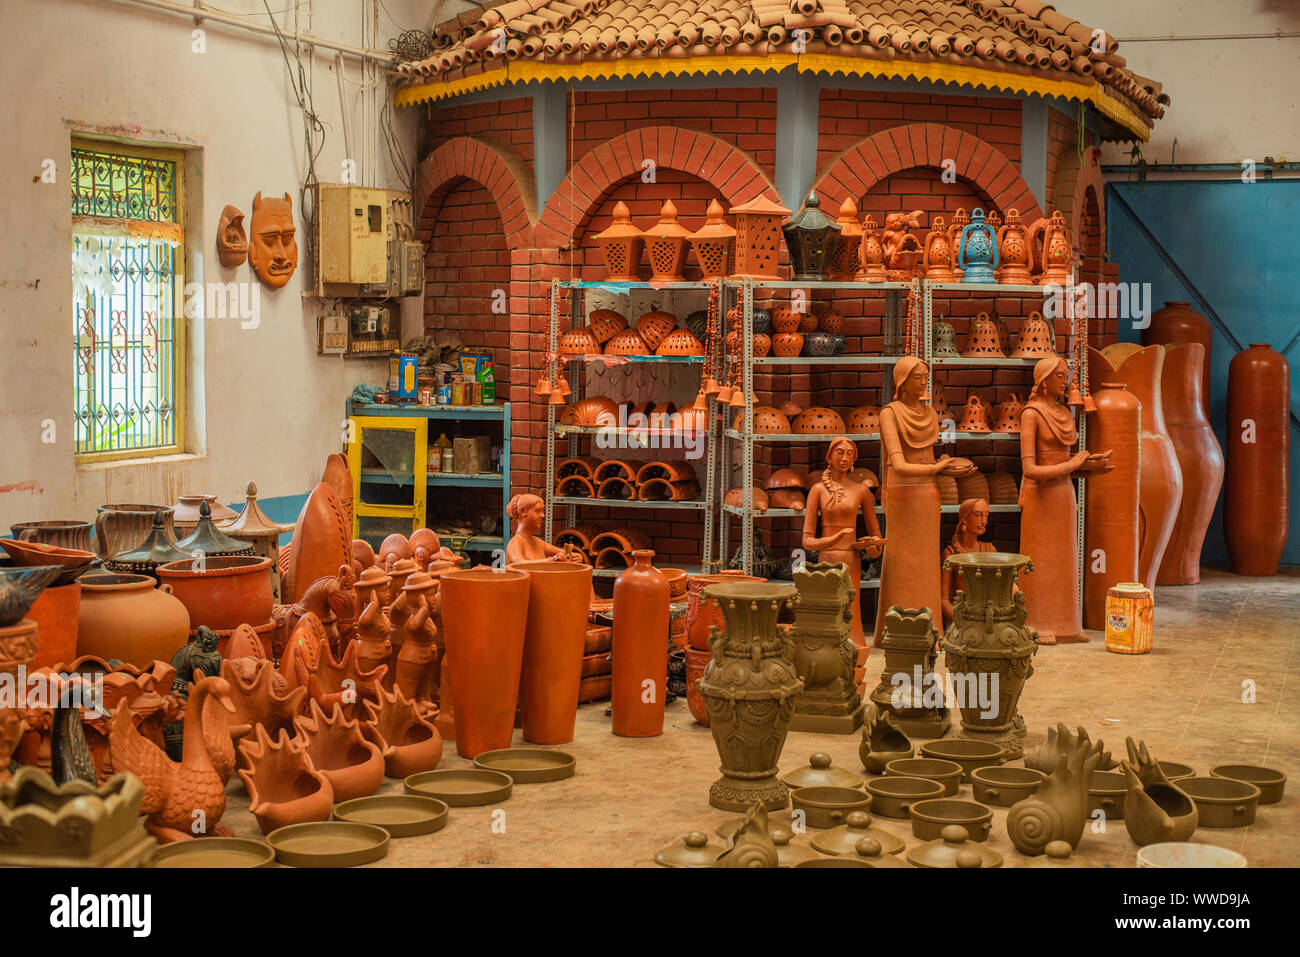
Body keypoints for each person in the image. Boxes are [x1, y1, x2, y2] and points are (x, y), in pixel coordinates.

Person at [876, 356, 976, 644]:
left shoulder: (930, 414)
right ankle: (897, 629)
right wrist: (937, 468)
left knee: (926, 563)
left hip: (927, 495)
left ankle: (930, 627)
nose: (924, 382)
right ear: (902, 381)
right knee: (901, 563)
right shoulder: (890, 413)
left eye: (925, 376)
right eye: (918, 377)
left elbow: (929, 457)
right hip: (902, 493)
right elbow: (899, 465)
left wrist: (946, 462)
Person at [1018, 356, 1110, 643]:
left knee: (1065, 560)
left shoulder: (1064, 413)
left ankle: (1068, 624)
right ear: (1044, 380)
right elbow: (1030, 470)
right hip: (1040, 498)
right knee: (1040, 562)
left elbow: (1066, 462)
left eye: (1067, 374)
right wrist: (1073, 465)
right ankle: (1035, 622)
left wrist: (1089, 466)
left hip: (1063, 495)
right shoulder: (1030, 414)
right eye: (1059, 375)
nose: (1066, 380)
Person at [802, 436, 887, 648]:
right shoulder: (818, 490)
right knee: (828, 607)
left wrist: (872, 544)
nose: (845, 457)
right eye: (840, 452)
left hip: (851, 559)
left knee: (850, 606)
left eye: (850, 453)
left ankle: (854, 645)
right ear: (829, 456)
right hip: (827, 560)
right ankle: (822, 649)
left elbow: (875, 538)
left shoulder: (861, 491)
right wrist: (834, 538)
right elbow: (807, 541)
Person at [940, 498, 998, 628]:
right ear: (965, 519)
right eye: (978, 515)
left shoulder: (989, 550)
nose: (984, 521)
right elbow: (943, 599)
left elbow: (998, 589)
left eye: (986, 515)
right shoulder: (950, 553)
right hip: (962, 617)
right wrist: (960, 621)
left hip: (988, 615)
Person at [504, 493, 582, 564]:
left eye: (542, 511)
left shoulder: (539, 543)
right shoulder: (515, 543)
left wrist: (575, 556)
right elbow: (519, 563)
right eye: (537, 511)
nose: (542, 515)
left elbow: (564, 553)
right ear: (523, 512)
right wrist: (551, 560)